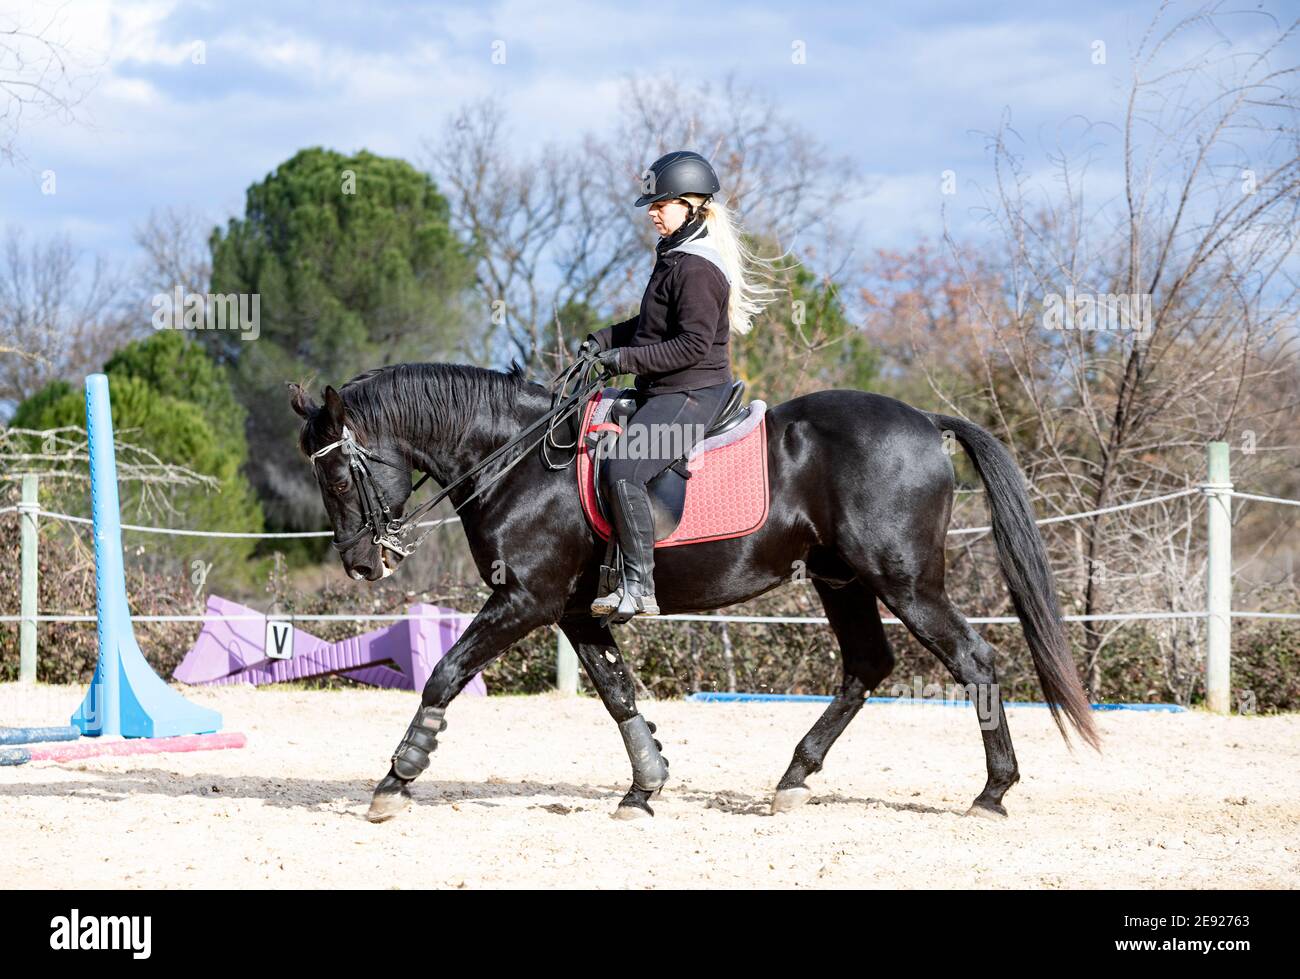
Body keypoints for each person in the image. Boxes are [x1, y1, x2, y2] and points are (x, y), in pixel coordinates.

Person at [581, 150, 775, 620]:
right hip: (665, 390)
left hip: (692, 394)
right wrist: (601, 341)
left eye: (660, 203)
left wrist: (621, 360)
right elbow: (652, 326)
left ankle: (639, 585)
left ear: (692, 206)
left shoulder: (697, 269)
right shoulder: (673, 260)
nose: (651, 211)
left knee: (623, 467)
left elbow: (689, 346)